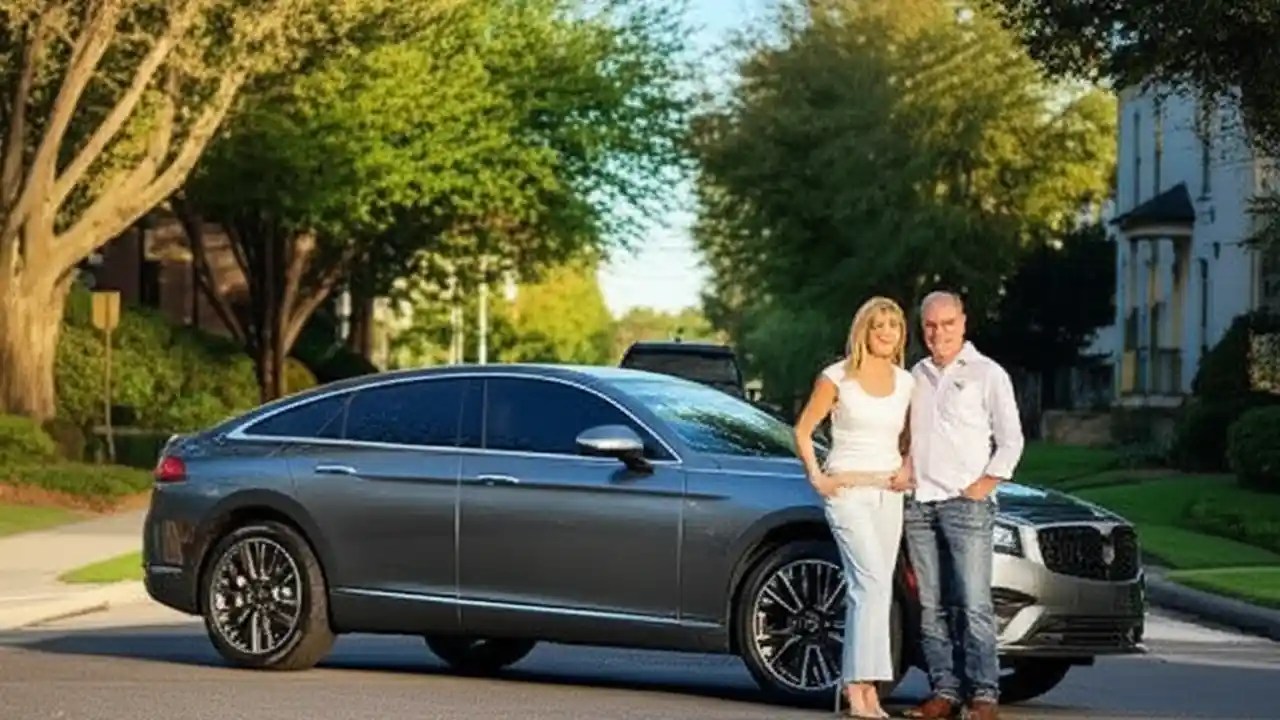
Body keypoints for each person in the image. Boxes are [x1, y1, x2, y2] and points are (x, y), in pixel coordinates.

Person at [901, 291, 1025, 720]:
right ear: (923, 328)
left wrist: (983, 485)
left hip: (966, 505)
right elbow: (906, 437)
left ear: (964, 322)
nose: (939, 333)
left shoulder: (988, 374)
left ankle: (985, 695)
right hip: (919, 505)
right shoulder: (915, 374)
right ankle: (945, 692)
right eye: (931, 326)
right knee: (931, 606)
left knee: (973, 604)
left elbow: (1012, 439)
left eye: (948, 323)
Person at [793, 296, 915, 720]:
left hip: (889, 493)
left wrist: (908, 467)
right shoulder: (836, 377)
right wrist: (818, 477)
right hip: (847, 492)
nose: (886, 333)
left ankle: (863, 689)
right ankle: (861, 689)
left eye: (894, 326)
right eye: (878, 324)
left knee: (876, 589)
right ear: (863, 329)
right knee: (870, 583)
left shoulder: (906, 382)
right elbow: (804, 430)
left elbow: (913, 436)